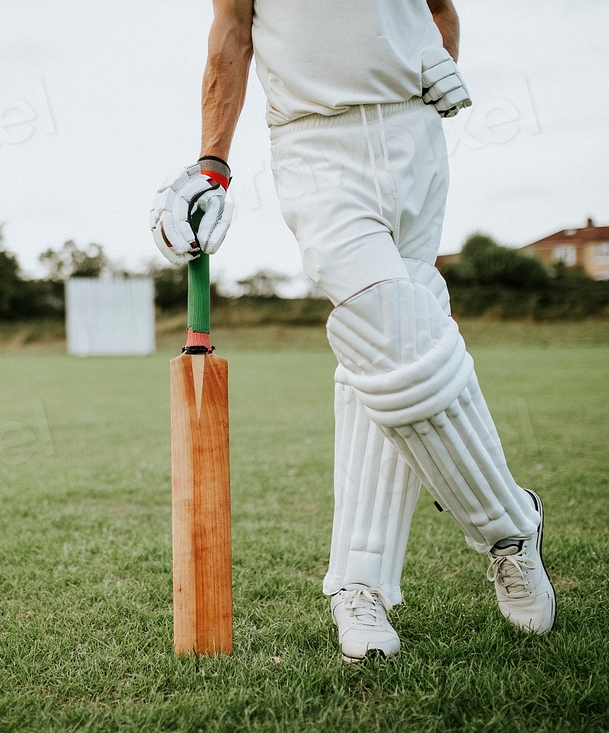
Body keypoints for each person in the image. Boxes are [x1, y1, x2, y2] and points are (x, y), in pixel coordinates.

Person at [150, 0, 555, 661]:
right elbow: (232, 29)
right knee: (383, 328)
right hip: (316, 144)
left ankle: (360, 583)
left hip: (414, 135)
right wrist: (213, 162)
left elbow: (439, 10)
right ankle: (510, 526)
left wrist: (439, 59)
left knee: (393, 340)